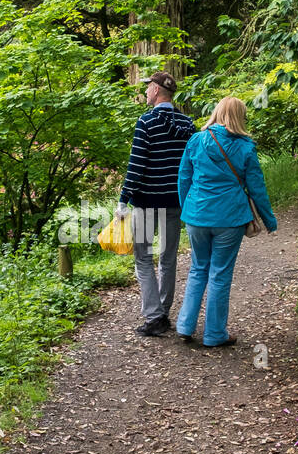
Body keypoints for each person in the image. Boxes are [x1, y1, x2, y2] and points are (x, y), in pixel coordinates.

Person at [176, 96, 277, 348]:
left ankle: (185, 326)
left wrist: (186, 209)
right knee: (219, 274)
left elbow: (183, 179)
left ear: (217, 112)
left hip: (196, 216)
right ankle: (214, 334)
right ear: (239, 117)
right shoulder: (245, 146)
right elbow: (257, 187)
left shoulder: (196, 140)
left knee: (198, 269)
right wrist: (269, 219)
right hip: (229, 218)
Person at [116, 70, 195, 336]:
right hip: (175, 200)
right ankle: (163, 310)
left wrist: (123, 199)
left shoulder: (146, 122)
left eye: (148, 86)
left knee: (143, 258)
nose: (146, 90)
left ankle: (154, 317)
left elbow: (136, 166)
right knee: (168, 258)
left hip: (147, 201)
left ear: (157, 90)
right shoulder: (188, 123)